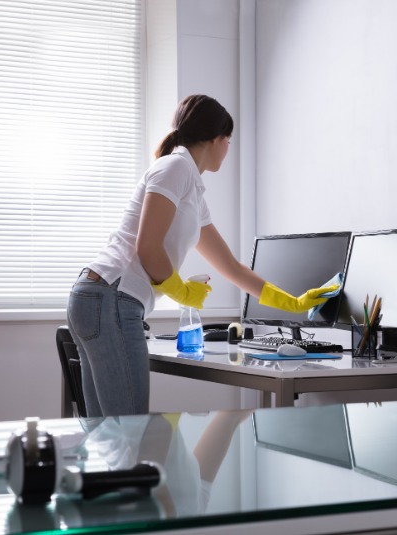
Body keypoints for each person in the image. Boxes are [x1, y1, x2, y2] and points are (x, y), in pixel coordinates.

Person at [67, 94, 337, 417]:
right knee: (130, 434)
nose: (229, 147)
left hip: (98, 296)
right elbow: (147, 248)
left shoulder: (192, 191)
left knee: (110, 439)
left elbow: (232, 268)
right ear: (215, 139)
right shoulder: (176, 167)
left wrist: (292, 302)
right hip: (112, 297)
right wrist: (181, 291)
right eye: (229, 139)